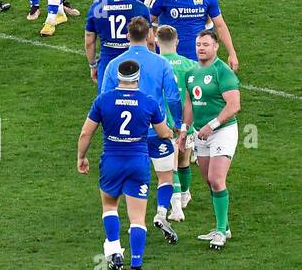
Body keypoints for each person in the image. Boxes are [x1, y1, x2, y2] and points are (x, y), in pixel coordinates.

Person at [78, 59, 176, 270]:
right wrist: (171, 132)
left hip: (112, 161)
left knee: (110, 205)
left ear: (118, 78)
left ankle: (114, 250)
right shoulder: (148, 102)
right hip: (138, 162)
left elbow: (85, 133)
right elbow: (162, 133)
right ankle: (136, 267)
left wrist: (81, 157)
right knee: (137, 217)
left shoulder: (103, 100)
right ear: (138, 78)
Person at [98, 17, 183, 243]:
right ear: (150, 36)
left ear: (127, 36)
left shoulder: (115, 64)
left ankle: (136, 223)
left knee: (131, 180)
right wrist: (178, 122)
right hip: (157, 131)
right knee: (165, 176)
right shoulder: (161, 63)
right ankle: (161, 212)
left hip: (128, 137)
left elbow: (104, 99)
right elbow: (173, 96)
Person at [186, 29, 240, 250]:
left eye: (206, 44)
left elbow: (234, 105)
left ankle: (220, 231)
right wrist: (184, 130)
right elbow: (189, 103)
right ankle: (223, 226)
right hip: (201, 133)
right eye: (199, 44)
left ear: (216, 47)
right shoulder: (190, 72)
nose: (201, 48)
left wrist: (212, 125)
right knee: (209, 180)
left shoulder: (223, 72)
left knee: (217, 179)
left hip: (222, 131)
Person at [151, 0, 238, 69]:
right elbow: (146, 22)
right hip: (170, 61)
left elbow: (220, 26)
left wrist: (232, 53)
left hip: (197, 59)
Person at [155, 24, 197, 222]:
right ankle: (186, 193)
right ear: (177, 41)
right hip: (188, 123)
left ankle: (177, 208)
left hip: (165, 123)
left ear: (156, 41)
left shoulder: (155, 65)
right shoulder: (190, 64)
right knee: (184, 161)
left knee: (170, 167)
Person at [84, 0, 150, 85]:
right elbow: (150, 41)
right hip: (135, 62)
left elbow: (89, 41)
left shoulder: (99, 7)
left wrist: (93, 65)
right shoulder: (139, 7)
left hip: (107, 62)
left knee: (107, 101)